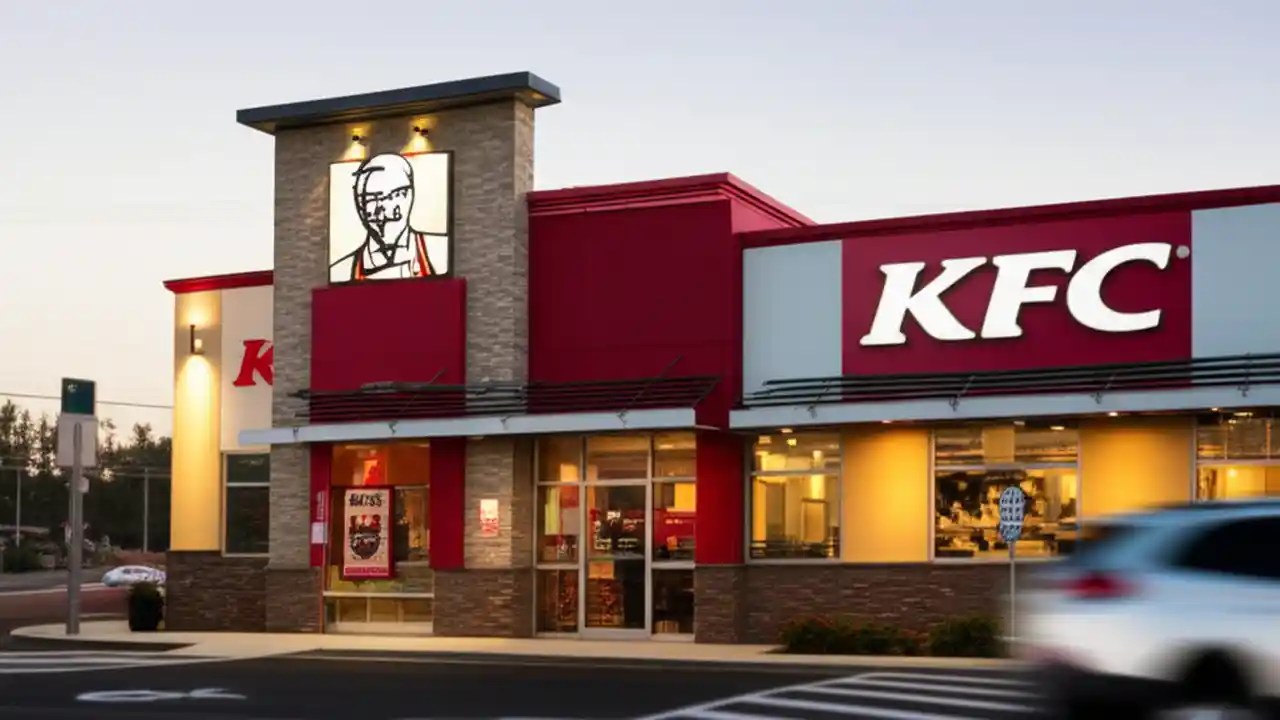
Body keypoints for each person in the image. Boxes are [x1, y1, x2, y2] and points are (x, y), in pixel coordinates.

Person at [330, 153, 438, 281]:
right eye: (371, 198)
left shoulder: (437, 252)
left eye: (396, 195)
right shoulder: (341, 271)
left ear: (410, 196)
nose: (382, 208)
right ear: (359, 205)